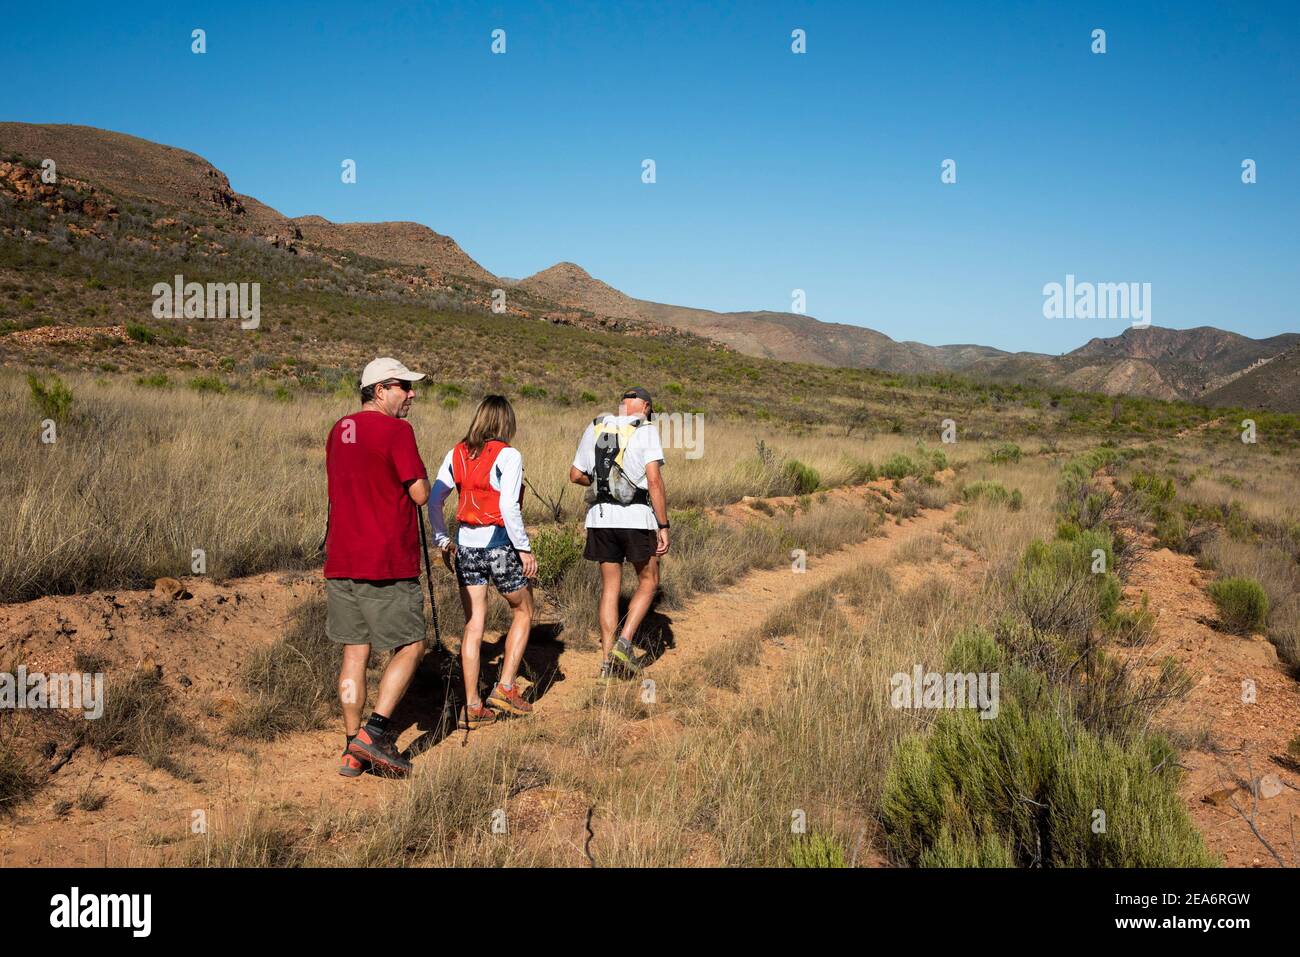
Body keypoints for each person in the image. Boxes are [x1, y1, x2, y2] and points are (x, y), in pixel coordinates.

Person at [325, 357, 430, 778]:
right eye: (404, 386)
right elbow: (420, 494)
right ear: (380, 389)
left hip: (342, 558)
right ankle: (376, 731)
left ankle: (353, 747)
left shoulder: (340, 428)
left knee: (355, 652)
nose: (411, 394)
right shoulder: (397, 430)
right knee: (412, 644)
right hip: (384, 559)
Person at [428, 396, 537, 730]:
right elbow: (508, 506)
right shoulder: (508, 454)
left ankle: (473, 704)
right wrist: (524, 549)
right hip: (499, 543)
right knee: (524, 611)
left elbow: (434, 499)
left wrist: (442, 539)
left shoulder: (456, 452)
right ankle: (505, 687)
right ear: (505, 422)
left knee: (474, 625)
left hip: (466, 547)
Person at [569, 386, 670, 678]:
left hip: (600, 518)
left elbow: (576, 475)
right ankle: (624, 644)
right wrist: (663, 525)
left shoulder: (597, 425)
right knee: (650, 580)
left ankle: (605, 665)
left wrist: (604, 482)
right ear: (647, 407)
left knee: (610, 589)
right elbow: (654, 481)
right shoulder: (646, 429)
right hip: (637, 518)